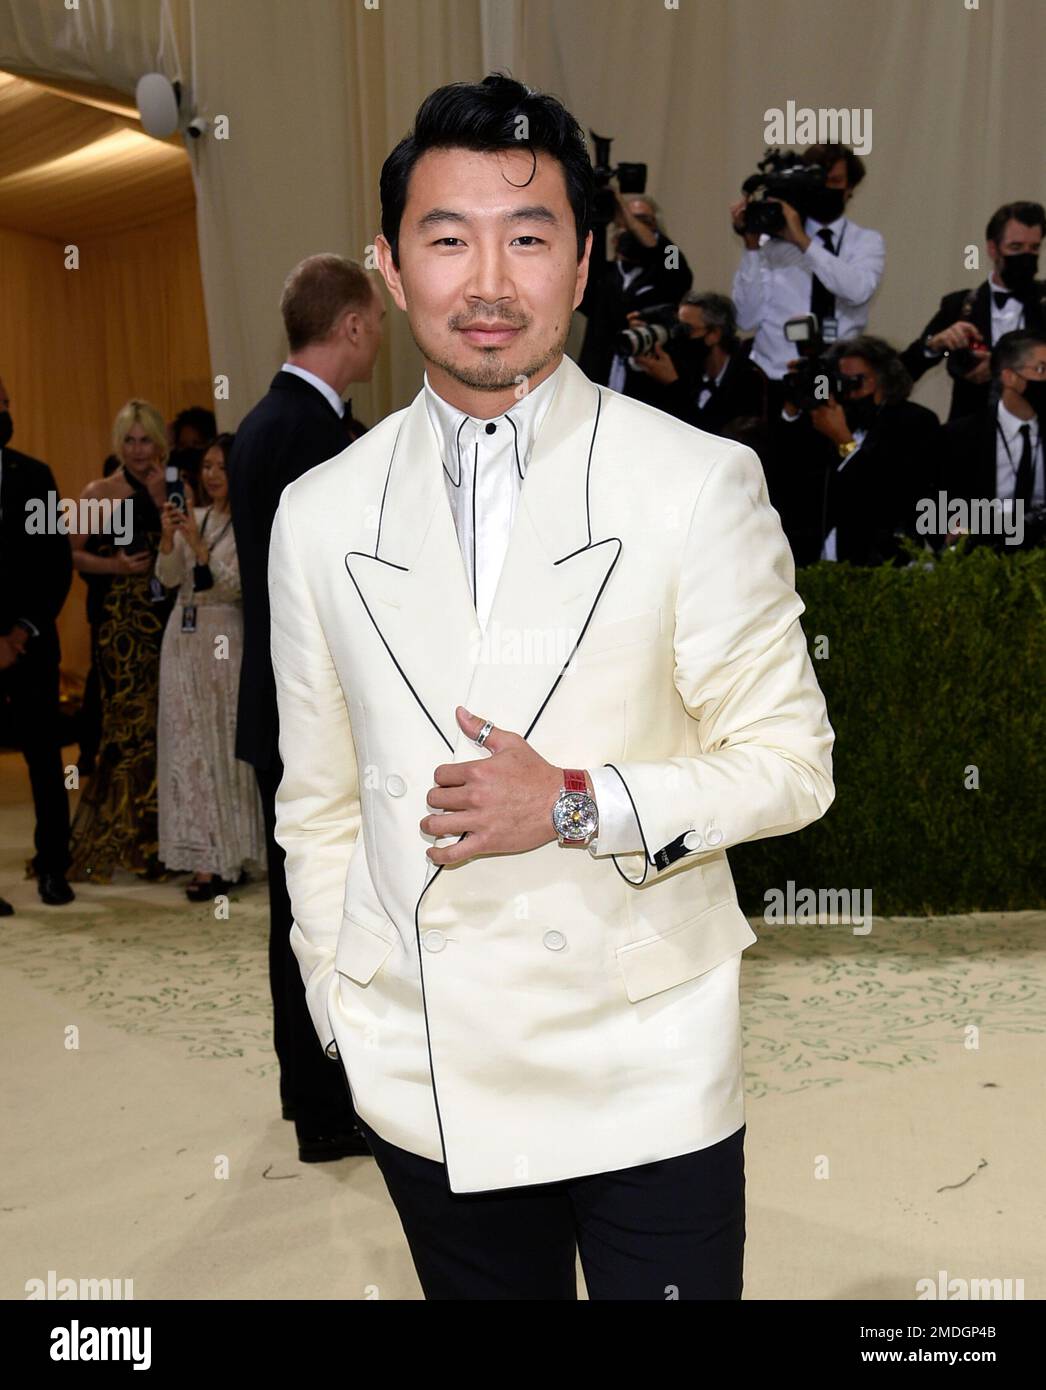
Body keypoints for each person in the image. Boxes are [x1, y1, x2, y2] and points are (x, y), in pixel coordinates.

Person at [269, 73, 835, 1300]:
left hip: (644, 1062)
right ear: (387, 264)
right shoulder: (316, 516)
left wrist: (574, 801)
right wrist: (340, 1003)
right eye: (446, 236)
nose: (487, 281)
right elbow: (315, 798)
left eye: (527, 237)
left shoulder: (694, 482)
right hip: (425, 1072)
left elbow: (791, 764)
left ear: (580, 267)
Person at [227, 253, 380, 1161]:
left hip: (285, 709)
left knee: (310, 904)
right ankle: (325, 1105)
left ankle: (320, 1095)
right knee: (317, 908)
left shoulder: (273, 422)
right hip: (305, 715)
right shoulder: (303, 435)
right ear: (353, 326)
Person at [67, 400, 176, 882]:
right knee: (126, 725)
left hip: (166, 621)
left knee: (163, 725)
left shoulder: (174, 488)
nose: (137, 449)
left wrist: (158, 499)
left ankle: (162, 838)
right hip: (120, 627)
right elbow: (70, 553)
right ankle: (128, 836)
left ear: (159, 442)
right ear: (119, 443)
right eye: (129, 440)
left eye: (146, 439)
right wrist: (115, 566)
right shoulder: (100, 490)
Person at [156, 433, 265, 899]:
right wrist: (169, 539)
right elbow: (166, 580)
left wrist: (200, 546)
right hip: (182, 641)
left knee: (223, 743)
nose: (212, 475)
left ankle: (232, 856)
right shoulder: (191, 517)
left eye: (221, 466)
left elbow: (237, 587)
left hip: (224, 639)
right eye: (206, 467)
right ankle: (201, 856)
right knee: (188, 745)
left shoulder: (249, 525)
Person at [0, 374, 75, 912]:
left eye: (5, 401)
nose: (4, 410)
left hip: (31, 643)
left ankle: (53, 868)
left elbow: (56, 564)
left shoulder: (36, 475)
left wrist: (20, 630)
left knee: (46, 762)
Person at [730, 143, 885, 393]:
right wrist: (751, 248)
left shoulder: (865, 241)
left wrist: (803, 241)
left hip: (836, 380)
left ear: (850, 188)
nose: (825, 189)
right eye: (818, 181)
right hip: (773, 378)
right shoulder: (771, 244)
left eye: (834, 181)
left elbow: (857, 292)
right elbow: (746, 320)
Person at [901, 201, 1046, 422]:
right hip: (970, 437)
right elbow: (902, 374)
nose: (1026, 256)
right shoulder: (960, 306)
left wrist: (1001, 367)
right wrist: (934, 345)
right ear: (992, 249)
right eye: (1016, 248)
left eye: (1034, 248)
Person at [576, 186, 693, 393]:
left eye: (641, 220)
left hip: (646, 389)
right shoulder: (601, 275)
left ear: (656, 228)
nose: (631, 226)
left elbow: (671, 256)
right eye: (624, 221)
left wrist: (623, 207)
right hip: (596, 385)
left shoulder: (671, 260)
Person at [938, 330, 1046, 545]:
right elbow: (942, 509)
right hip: (983, 553)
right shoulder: (960, 436)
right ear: (1009, 376)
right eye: (1041, 369)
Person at [629, 290, 769, 451]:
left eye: (687, 329)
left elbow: (716, 439)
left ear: (714, 334)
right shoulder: (684, 366)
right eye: (678, 327)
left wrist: (674, 385)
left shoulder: (748, 378)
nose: (679, 336)